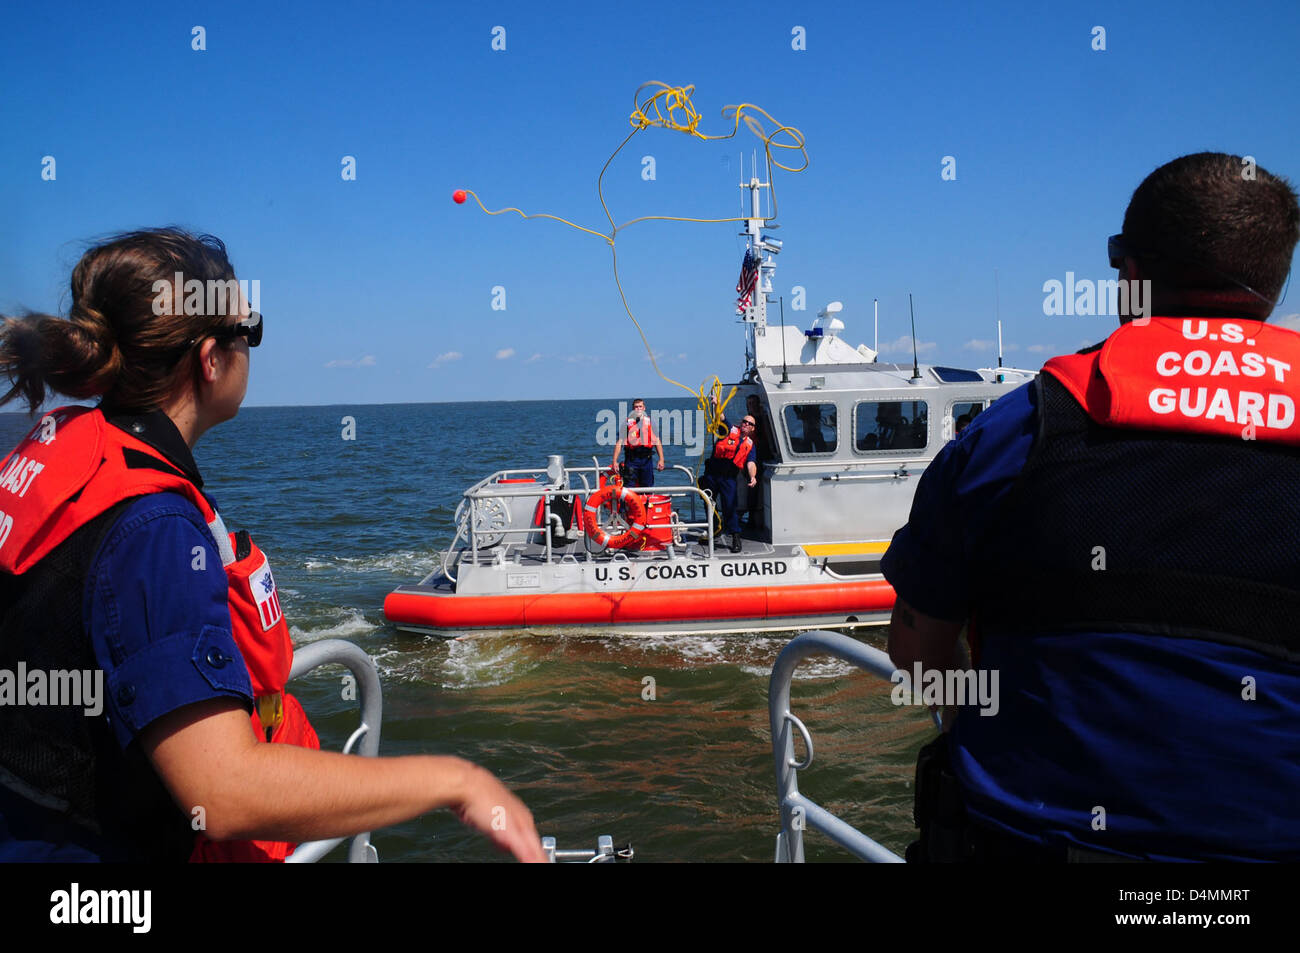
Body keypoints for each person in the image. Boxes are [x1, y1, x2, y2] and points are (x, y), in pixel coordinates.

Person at [0, 228, 546, 863]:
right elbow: (224, 790)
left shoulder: (61, 461)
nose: (251, 349)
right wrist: (458, 781)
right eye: (248, 330)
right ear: (209, 358)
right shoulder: (153, 528)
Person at [883, 152, 1300, 862]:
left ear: (1131, 276)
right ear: (1275, 278)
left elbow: (920, 646)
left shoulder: (1013, 434)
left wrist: (960, 717)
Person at [699, 411, 757, 553]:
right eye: (744, 421)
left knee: (730, 507)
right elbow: (722, 417)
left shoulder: (750, 445)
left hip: (728, 478)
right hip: (713, 474)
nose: (746, 424)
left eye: (750, 423)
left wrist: (753, 477)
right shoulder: (730, 429)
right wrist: (716, 404)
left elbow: (751, 463)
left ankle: (735, 537)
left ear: (752, 428)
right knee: (708, 501)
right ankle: (715, 529)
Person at [611, 397, 664, 487]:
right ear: (633, 409)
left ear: (644, 408)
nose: (638, 409)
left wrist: (661, 459)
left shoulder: (651, 422)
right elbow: (619, 442)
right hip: (631, 460)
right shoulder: (627, 423)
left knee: (647, 487)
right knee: (629, 487)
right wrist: (614, 461)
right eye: (636, 407)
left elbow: (657, 441)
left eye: (640, 406)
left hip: (646, 460)